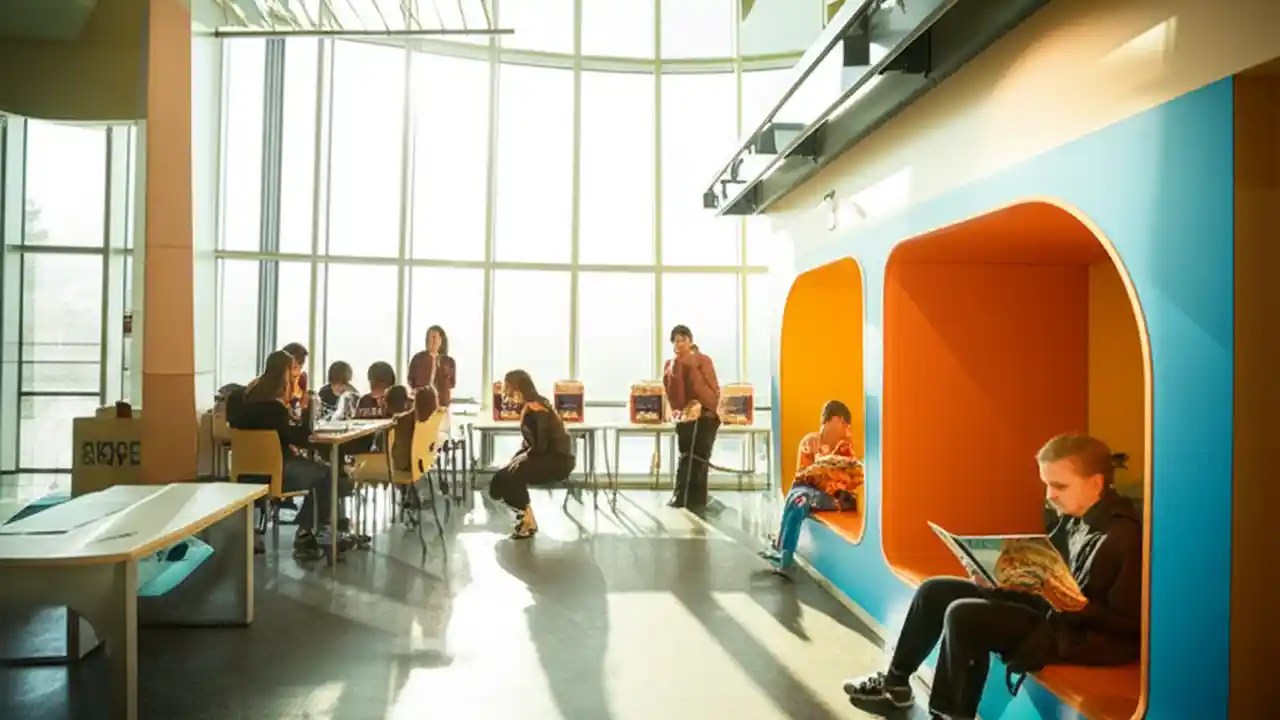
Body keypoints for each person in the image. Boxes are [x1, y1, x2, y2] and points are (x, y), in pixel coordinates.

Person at [842, 434, 1142, 720]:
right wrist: (1000, 576)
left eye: (1059, 486)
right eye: (1047, 485)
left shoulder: (1124, 537)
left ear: (1096, 484)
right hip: (1055, 612)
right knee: (935, 591)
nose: (1050, 496)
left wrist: (1078, 607)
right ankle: (895, 684)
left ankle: (951, 714)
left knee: (965, 616)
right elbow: (1048, 570)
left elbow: (1130, 629)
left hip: (1083, 635)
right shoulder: (1074, 517)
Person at [230, 350, 354, 558]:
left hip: (246, 473)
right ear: (285, 374)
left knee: (319, 472)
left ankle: (312, 530)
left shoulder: (242, 400)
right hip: (279, 471)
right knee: (326, 474)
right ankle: (311, 531)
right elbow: (297, 439)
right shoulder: (274, 407)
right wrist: (306, 413)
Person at [759, 400, 863, 570]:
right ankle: (782, 550)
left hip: (832, 497)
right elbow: (804, 475)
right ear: (835, 420)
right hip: (808, 491)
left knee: (800, 499)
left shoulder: (845, 447)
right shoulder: (810, 441)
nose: (846, 430)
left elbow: (850, 477)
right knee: (797, 497)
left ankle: (784, 553)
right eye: (844, 424)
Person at [488, 370, 576, 539]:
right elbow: (533, 445)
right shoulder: (530, 406)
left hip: (558, 460)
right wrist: (517, 458)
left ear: (517, 387)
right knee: (505, 475)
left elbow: (540, 446)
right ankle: (524, 516)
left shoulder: (537, 409)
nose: (505, 391)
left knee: (516, 472)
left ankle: (528, 521)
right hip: (545, 456)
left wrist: (520, 459)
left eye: (508, 387)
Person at [662, 325, 720, 512]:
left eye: (683, 339)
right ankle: (681, 496)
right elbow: (671, 391)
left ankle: (697, 498)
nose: (679, 344)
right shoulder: (671, 364)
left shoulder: (702, 361)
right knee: (686, 455)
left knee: (700, 457)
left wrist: (703, 406)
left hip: (705, 415)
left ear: (690, 340)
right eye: (676, 340)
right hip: (684, 416)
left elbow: (710, 387)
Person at [407, 325, 457, 419]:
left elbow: (451, 384)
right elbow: (411, 380)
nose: (431, 340)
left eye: (434, 337)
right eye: (428, 337)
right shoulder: (418, 359)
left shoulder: (448, 361)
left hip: (442, 408)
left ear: (441, 340)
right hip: (421, 408)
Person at [281, 342, 310, 418]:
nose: (298, 372)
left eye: (301, 367)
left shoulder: (300, 379)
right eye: (295, 367)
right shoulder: (276, 383)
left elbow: (302, 407)